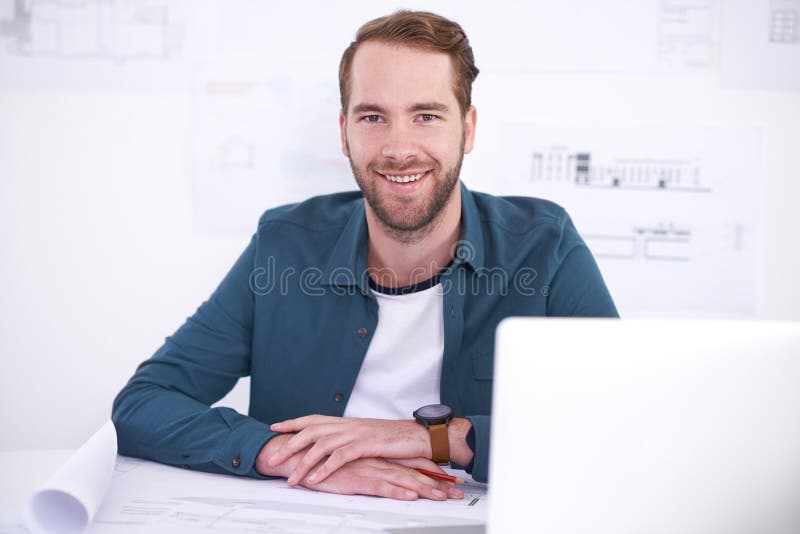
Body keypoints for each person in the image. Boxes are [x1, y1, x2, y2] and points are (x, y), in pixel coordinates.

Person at [112, 10, 618, 502]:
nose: (399, 148)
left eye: (426, 116)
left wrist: (430, 437)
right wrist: (291, 455)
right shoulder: (283, 246)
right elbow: (143, 403)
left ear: (467, 128)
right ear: (344, 131)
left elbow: (617, 419)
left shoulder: (544, 246)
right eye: (373, 117)